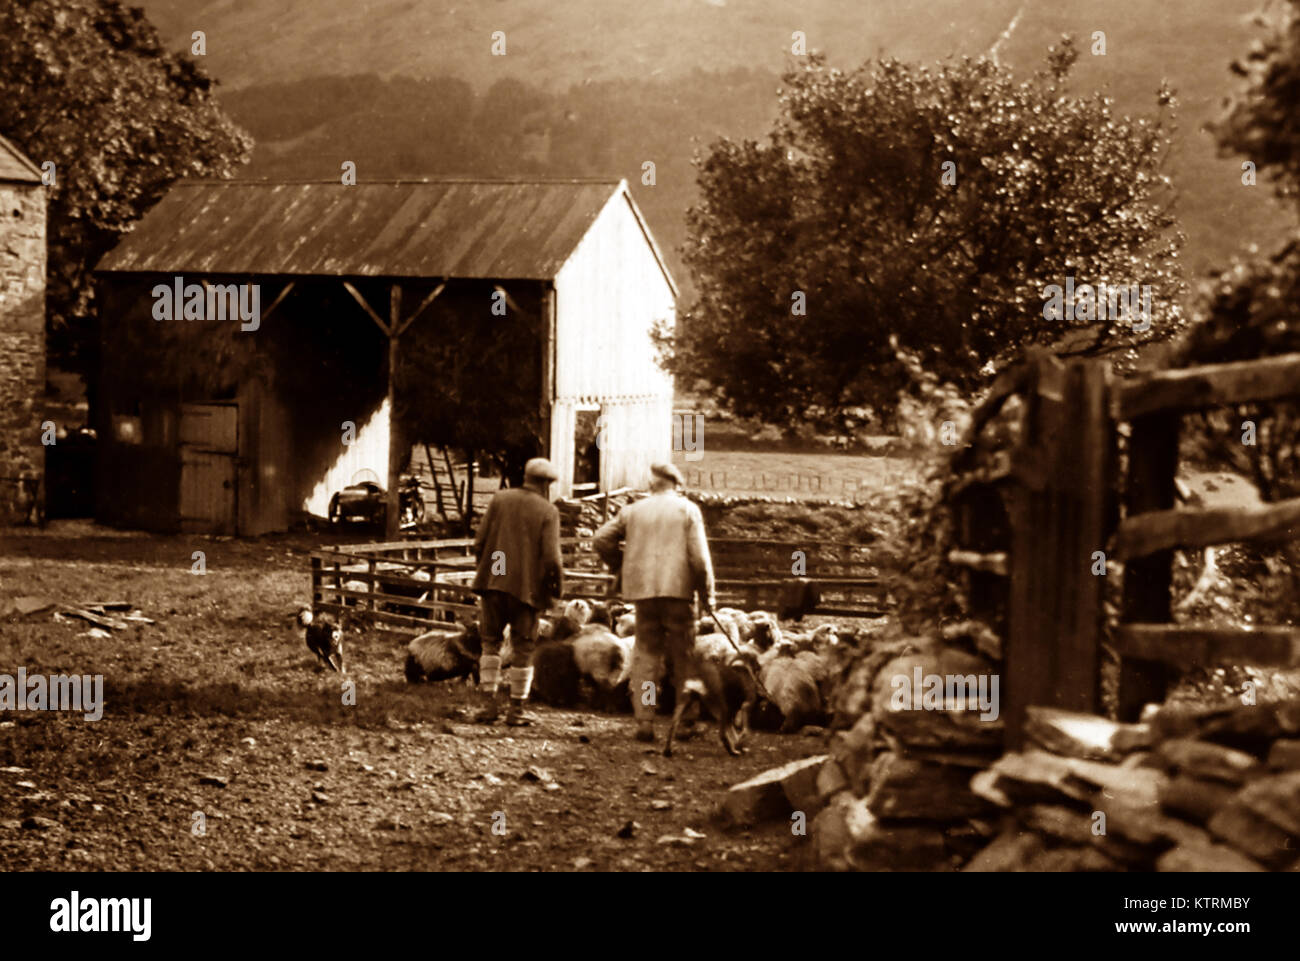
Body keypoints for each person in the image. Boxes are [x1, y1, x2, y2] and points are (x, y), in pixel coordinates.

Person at [592, 462, 715, 743]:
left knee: (647, 658)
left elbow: (600, 539)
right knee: (684, 659)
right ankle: (685, 721)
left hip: (643, 594)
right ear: (676, 485)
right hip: (678, 593)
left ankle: (645, 721)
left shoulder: (633, 511)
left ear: (653, 485)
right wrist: (708, 595)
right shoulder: (687, 510)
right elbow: (699, 559)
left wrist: (622, 564)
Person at [470, 457, 564, 726]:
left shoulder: (500, 499)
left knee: (490, 642)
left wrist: (490, 572)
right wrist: (555, 588)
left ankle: (489, 705)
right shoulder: (547, 511)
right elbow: (551, 559)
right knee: (523, 648)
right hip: (525, 590)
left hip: (492, 583)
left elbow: (480, 542)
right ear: (546, 484)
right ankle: (516, 710)